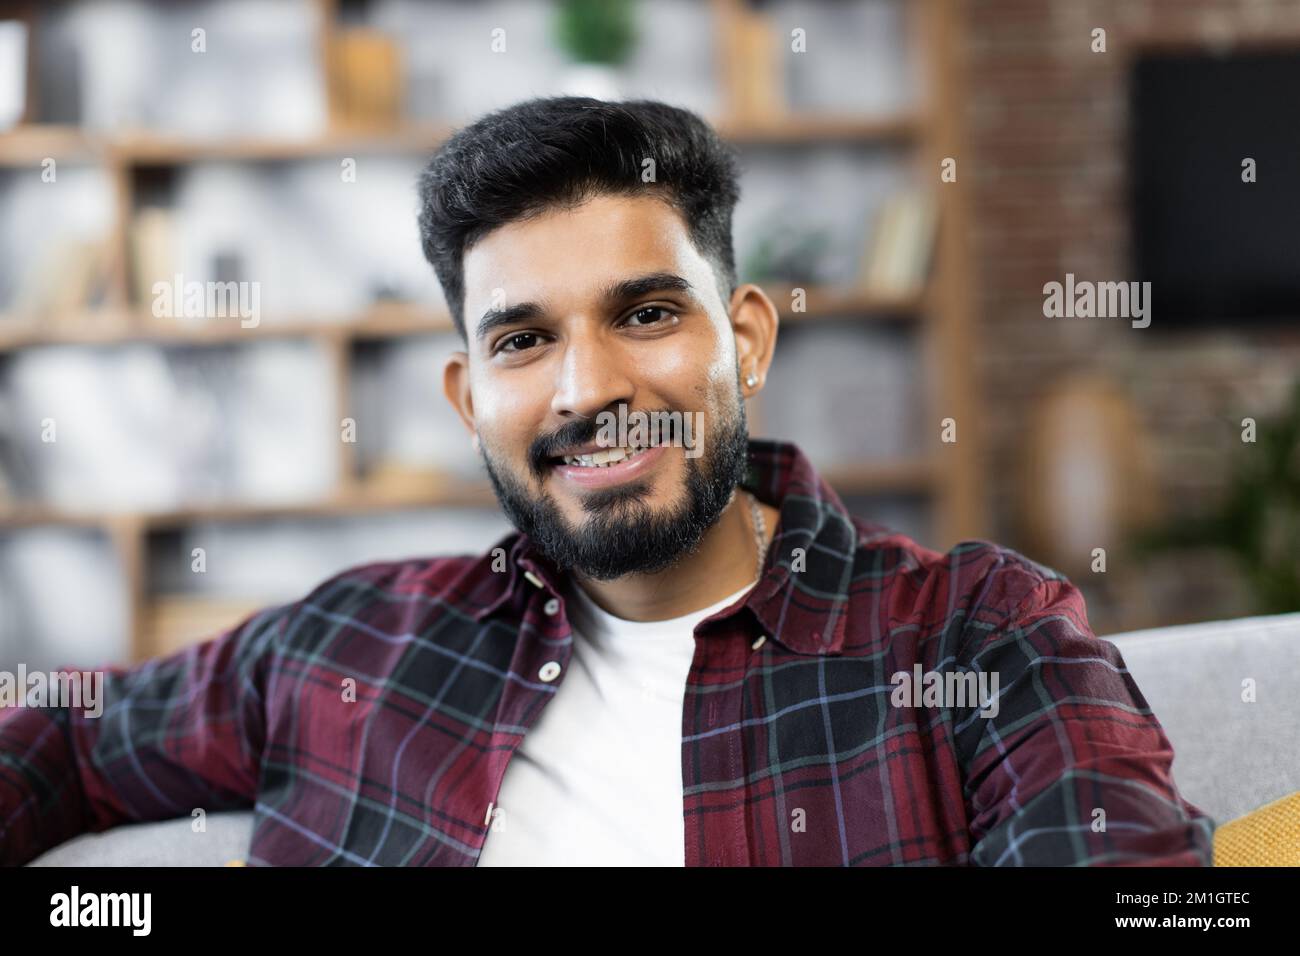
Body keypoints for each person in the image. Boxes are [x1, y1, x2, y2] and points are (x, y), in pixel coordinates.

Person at [0, 97, 1213, 866]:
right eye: (523, 339)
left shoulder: (980, 635)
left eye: (642, 312)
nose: (586, 387)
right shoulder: (344, 646)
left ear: (744, 337)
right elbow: (59, 737)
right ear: (471, 397)